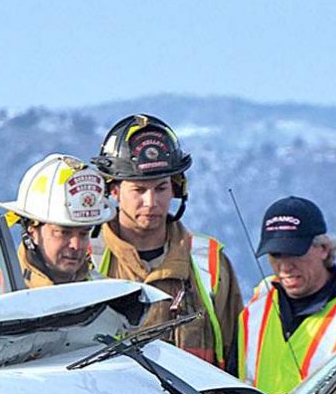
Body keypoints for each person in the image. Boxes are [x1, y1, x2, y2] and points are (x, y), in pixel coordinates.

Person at [91, 113, 243, 370]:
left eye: (161, 188)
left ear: (176, 189)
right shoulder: (87, 260)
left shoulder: (209, 262)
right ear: (114, 191)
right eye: (139, 190)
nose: (151, 202)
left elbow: (237, 355)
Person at [237, 195, 336, 394]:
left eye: (294, 253)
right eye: (275, 255)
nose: (284, 266)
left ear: (323, 249)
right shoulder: (256, 307)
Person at [0, 153, 112, 287]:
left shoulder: (106, 293)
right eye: (63, 232)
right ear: (32, 232)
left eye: (84, 233)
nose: (76, 245)